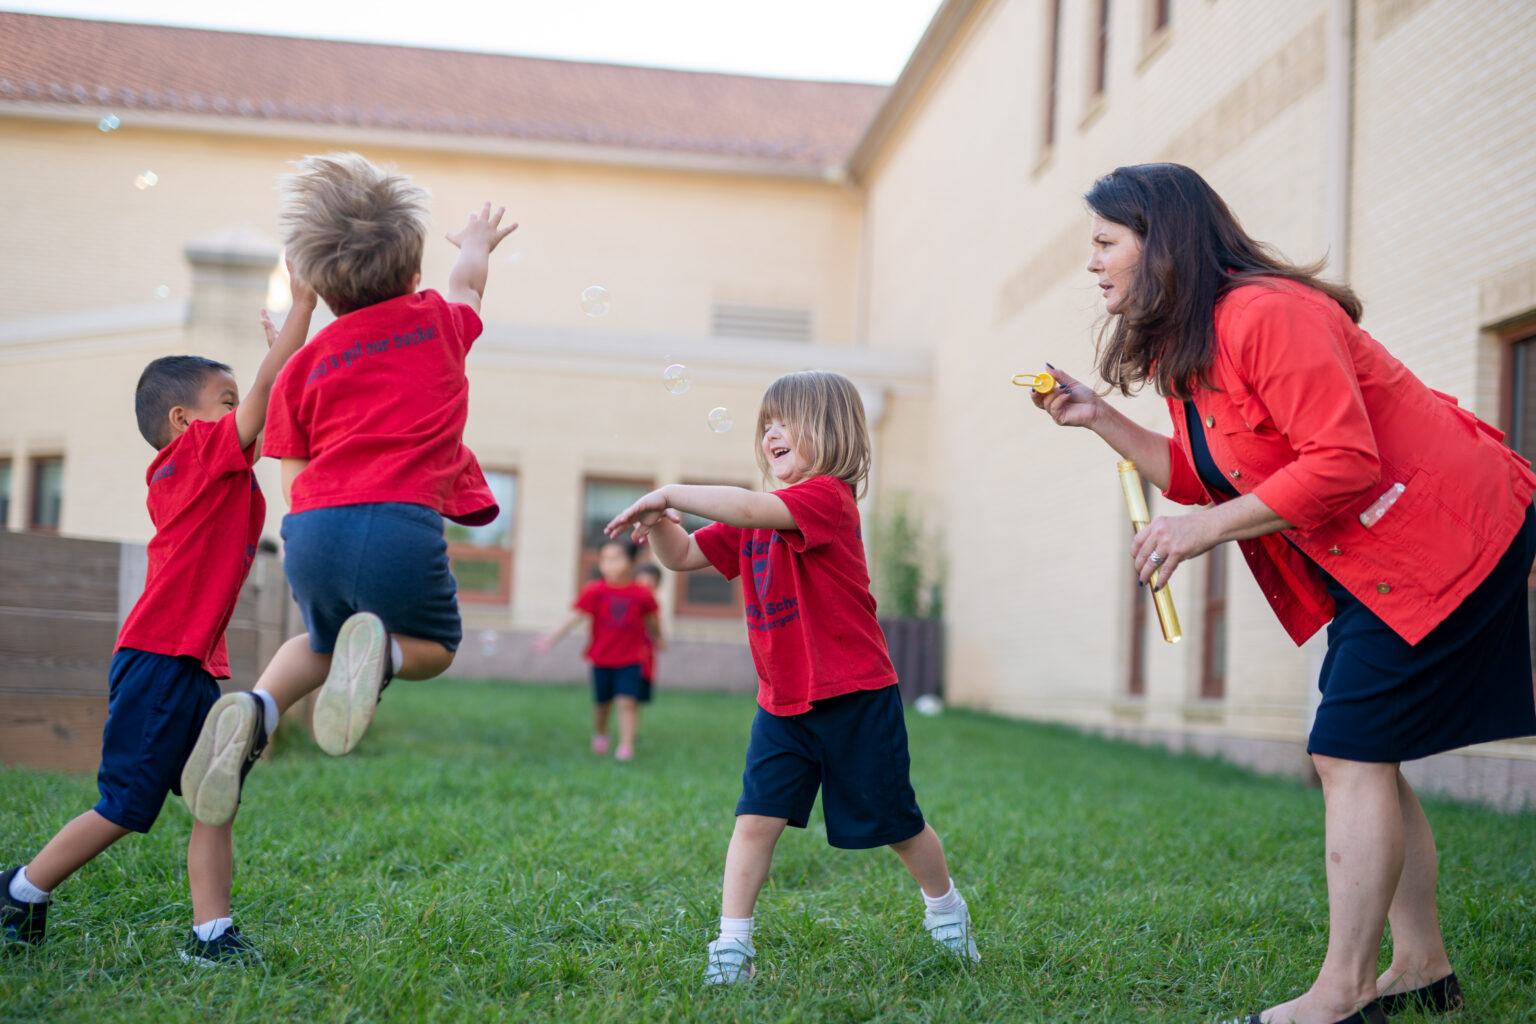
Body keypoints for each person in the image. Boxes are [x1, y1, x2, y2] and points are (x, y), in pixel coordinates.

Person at [1033, 162, 1536, 1024]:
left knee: (1346, 750)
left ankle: (1340, 995)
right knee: (1360, 749)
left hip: (1448, 530)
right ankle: (1418, 967)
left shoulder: (1267, 313)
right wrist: (1102, 420)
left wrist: (1206, 530)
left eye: (1106, 242)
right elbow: (1203, 474)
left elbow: (1343, 461)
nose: (1093, 263)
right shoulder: (1199, 344)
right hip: (1382, 549)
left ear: (1164, 243)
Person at [604, 369, 979, 984]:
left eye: (788, 420)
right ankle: (732, 947)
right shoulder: (752, 524)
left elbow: (755, 505)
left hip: (856, 697)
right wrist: (665, 521)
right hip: (782, 705)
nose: (772, 432)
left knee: (897, 824)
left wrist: (673, 488)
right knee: (755, 821)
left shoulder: (826, 498)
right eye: (767, 423)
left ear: (828, 431)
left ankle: (945, 909)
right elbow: (685, 557)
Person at [178, 152, 515, 829]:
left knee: (320, 641)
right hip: (401, 524)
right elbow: (469, 287)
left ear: (326, 292)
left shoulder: (302, 370)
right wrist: (475, 245)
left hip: (313, 531)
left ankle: (260, 707)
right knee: (436, 647)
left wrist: (293, 352)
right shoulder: (438, 324)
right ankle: (384, 656)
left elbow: (292, 478)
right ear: (414, 274)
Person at [0, 296, 312, 965]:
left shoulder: (216, 466)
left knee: (212, 794)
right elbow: (265, 392)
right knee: (125, 807)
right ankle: (21, 890)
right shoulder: (193, 455)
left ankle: (211, 936)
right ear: (183, 420)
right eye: (226, 400)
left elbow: (272, 400)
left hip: (193, 664)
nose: (242, 411)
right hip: (160, 660)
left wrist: (284, 354)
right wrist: (301, 312)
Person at [534, 539, 661, 761]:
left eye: (615, 559)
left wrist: (658, 637)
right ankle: (601, 734)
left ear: (632, 562)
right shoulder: (594, 590)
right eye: (604, 560)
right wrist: (551, 638)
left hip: (631, 658)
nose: (608, 565)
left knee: (627, 701)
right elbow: (575, 617)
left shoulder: (642, 593)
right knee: (602, 704)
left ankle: (625, 746)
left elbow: (652, 620)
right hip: (601, 658)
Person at [635, 561, 664, 702]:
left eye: (651, 580)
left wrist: (658, 638)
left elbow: (655, 623)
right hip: (629, 652)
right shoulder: (632, 600)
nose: (647, 584)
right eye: (643, 579)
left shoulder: (654, 603)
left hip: (645, 654)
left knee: (638, 693)